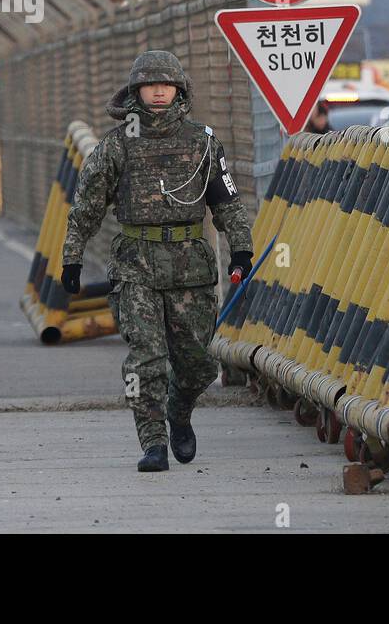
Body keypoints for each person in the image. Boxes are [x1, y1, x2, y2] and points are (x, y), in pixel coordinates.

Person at [60, 50, 254, 472]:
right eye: (151, 85)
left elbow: (228, 204)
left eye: (167, 85)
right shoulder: (117, 146)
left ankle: (179, 411)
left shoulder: (202, 142)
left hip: (191, 268)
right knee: (145, 358)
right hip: (136, 267)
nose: (160, 91)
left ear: (179, 90)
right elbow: (86, 207)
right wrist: (71, 258)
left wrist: (241, 250)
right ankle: (153, 442)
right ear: (137, 92)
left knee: (198, 363)